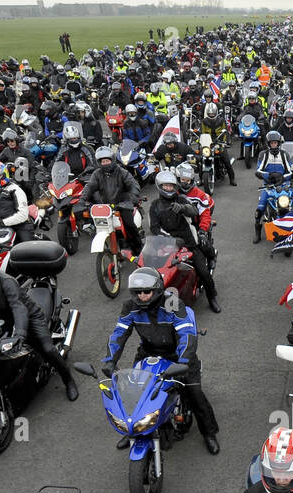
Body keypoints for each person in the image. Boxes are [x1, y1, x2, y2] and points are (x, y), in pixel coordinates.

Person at [103, 267, 220, 455]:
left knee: (194, 392)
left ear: (157, 290)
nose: (142, 296)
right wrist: (110, 360)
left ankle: (209, 433)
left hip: (177, 355)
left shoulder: (173, 303)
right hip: (148, 353)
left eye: (146, 291)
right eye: (137, 292)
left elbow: (187, 333)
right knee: (132, 392)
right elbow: (119, 333)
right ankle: (134, 429)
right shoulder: (129, 306)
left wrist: (184, 361)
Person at [0, 246, 78, 402]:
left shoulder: (6, 281)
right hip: (3, 316)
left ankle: (68, 380)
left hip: (30, 315)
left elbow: (18, 308)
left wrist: (19, 334)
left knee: (47, 349)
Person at [150, 170, 220, 312]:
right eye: (165, 186)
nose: (169, 188)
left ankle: (212, 297)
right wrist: (165, 237)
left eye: (171, 186)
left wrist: (182, 208)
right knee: (158, 272)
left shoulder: (181, 199)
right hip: (168, 244)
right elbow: (154, 228)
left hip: (188, 242)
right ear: (160, 186)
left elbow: (194, 211)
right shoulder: (155, 206)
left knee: (204, 272)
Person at [81, 145, 143, 255]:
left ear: (112, 159)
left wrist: (132, 198)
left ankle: (138, 250)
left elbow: (133, 185)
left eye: (107, 160)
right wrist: (82, 200)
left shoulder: (122, 172)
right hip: (106, 206)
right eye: (102, 161)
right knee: (98, 225)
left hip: (122, 204)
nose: (105, 163)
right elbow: (90, 187)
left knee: (129, 225)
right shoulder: (97, 174)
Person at [0, 159, 34, 242]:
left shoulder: (15, 189)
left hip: (18, 225)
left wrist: (3, 222)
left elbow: (23, 214)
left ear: (4, 174)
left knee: (27, 249)